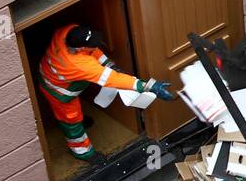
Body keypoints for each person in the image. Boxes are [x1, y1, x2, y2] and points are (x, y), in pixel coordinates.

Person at [37, 23, 174, 162]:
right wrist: (149, 86)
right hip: (58, 91)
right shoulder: (81, 65)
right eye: (92, 44)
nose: (96, 45)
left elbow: (92, 50)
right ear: (80, 48)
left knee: (75, 116)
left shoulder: (67, 31)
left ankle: (81, 127)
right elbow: (113, 79)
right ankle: (82, 152)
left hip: (50, 70)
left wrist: (108, 64)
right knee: (71, 120)